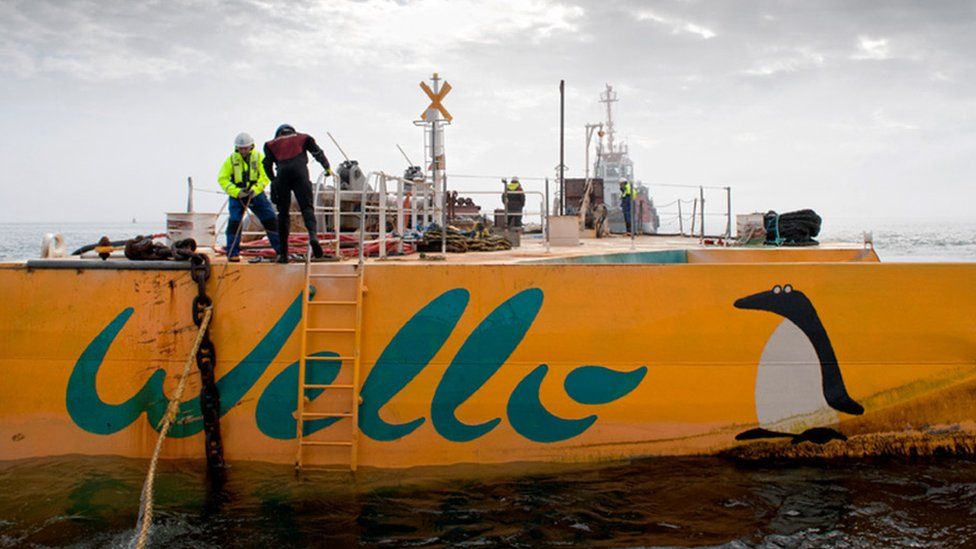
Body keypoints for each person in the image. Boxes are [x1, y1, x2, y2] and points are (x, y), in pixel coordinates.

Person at [263, 124, 332, 263]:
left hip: (282, 175)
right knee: (307, 208)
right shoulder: (304, 138)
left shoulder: (270, 144)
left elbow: (266, 165)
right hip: (300, 174)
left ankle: (283, 254)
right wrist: (327, 168)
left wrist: (274, 180)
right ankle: (313, 236)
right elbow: (317, 153)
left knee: (283, 214)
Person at [217, 132, 280, 262]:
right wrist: (237, 192)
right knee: (234, 221)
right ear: (237, 148)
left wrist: (255, 190)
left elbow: (265, 176)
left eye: (245, 148)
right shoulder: (231, 160)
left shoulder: (258, 158)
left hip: (256, 195)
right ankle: (232, 252)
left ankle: (280, 251)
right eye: (241, 148)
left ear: (251, 146)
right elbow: (222, 179)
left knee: (270, 219)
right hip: (238, 195)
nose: (243, 151)